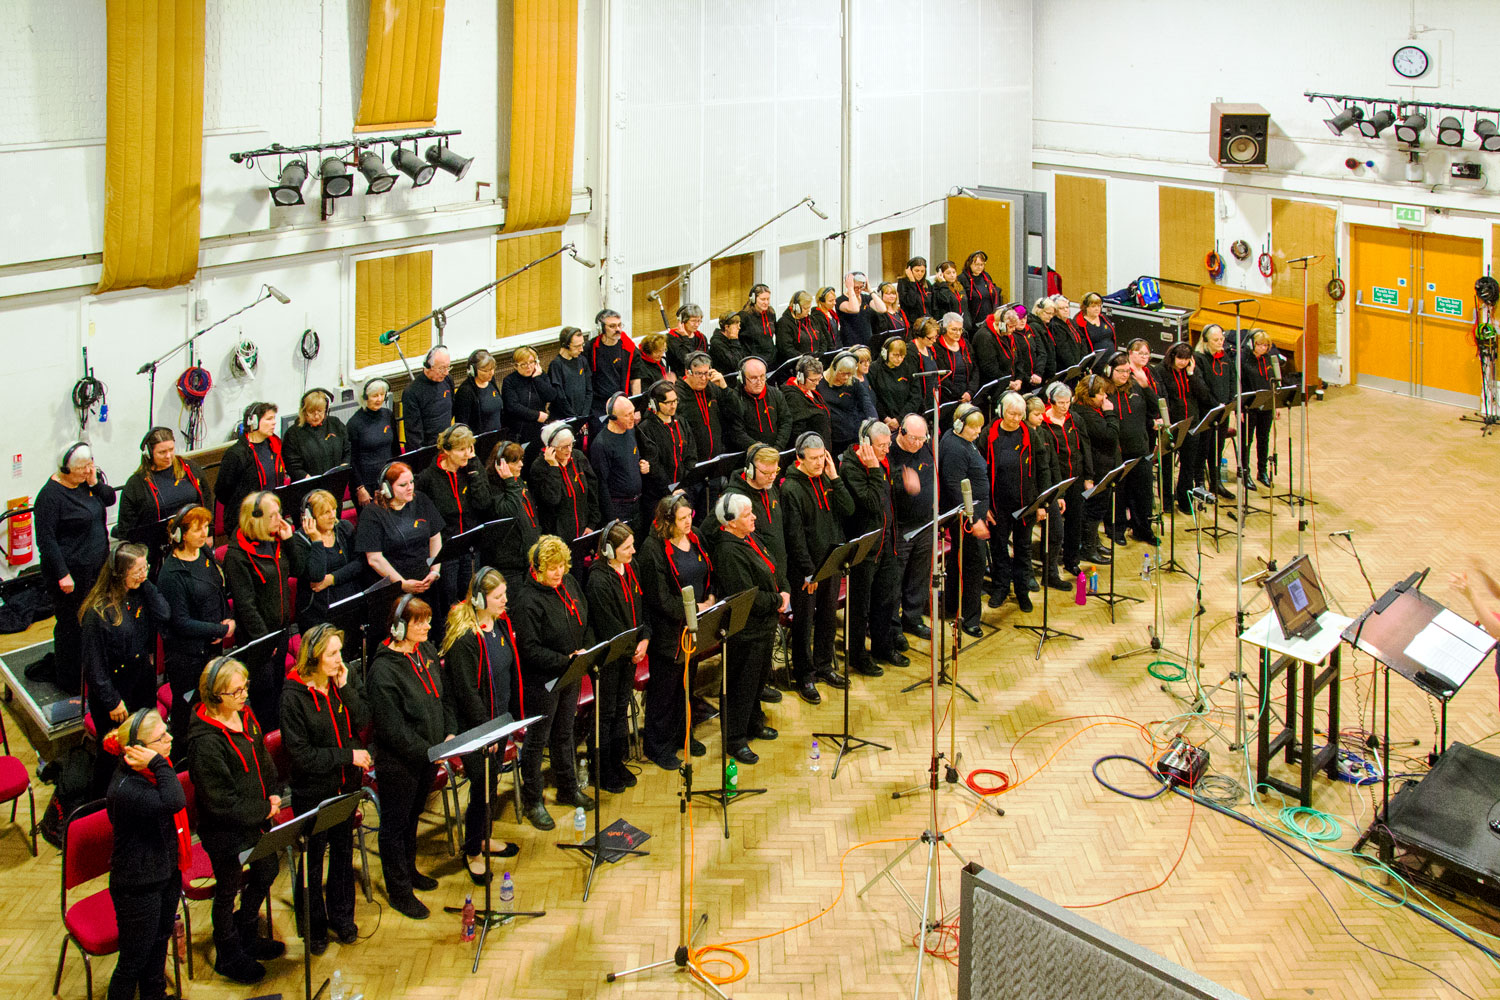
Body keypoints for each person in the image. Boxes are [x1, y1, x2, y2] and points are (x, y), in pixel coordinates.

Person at [185, 656, 284, 983]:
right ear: (215, 696)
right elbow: (219, 802)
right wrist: (262, 810)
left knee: (268, 867)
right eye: (236, 691)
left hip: (257, 818)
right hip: (225, 831)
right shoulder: (205, 742)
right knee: (227, 888)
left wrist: (273, 793)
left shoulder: (243, 714)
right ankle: (227, 951)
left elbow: (262, 759)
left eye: (245, 688)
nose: (244, 696)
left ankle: (246, 930)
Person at [280, 624, 371, 950]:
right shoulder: (292, 698)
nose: (339, 660)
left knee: (344, 856)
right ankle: (313, 927)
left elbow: (362, 719)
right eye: (332, 654)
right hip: (314, 793)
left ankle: (343, 918)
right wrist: (348, 754)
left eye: (339, 652)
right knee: (313, 860)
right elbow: (302, 756)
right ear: (314, 656)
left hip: (345, 786)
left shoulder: (341, 682)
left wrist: (346, 687)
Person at [366, 597, 454, 919]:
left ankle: (410, 871)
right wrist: (430, 753)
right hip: (400, 765)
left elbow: (443, 697)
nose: (429, 626)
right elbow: (392, 730)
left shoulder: (426, 652)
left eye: (428, 620)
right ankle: (399, 892)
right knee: (394, 826)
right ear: (399, 627)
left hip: (429, 757)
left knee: (413, 817)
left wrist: (449, 734)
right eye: (421, 622)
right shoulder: (382, 671)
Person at [440, 569, 523, 882]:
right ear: (478, 600)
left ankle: (484, 838)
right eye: (498, 596)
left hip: (498, 723)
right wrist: (487, 731)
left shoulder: (498, 624)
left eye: (504, 594)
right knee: (481, 790)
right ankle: (473, 850)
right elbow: (466, 693)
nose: (505, 600)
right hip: (477, 728)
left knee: (491, 785)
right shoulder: (465, 640)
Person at [103, 708, 188, 1000]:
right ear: (138, 751)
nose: (170, 739)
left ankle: (155, 995)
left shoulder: (149, 774)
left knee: (160, 941)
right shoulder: (128, 788)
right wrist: (160, 763)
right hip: (138, 886)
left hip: (164, 871)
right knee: (132, 962)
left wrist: (157, 763)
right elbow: (175, 801)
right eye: (160, 738)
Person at [508, 537, 593, 828]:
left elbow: (584, 615)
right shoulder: (526, 600)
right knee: (537, 741)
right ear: (537, 569)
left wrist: (583, 653)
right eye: (552, 568)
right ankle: (533, 801)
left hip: (569, 672)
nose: (559, 573)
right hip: (542, 682)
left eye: (561, 566)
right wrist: (566, 660)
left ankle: (568, 788)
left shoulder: (568, 584)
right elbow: (529, 650)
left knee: (565, 733)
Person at [81, 542, 170, 793]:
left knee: (145, 741)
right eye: (138, 570)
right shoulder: (97, 612)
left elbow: (164, 613)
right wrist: (112, 701)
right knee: (113, 752)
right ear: (119, 574)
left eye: (146, 568)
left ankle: (141, 788)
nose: (144, 574)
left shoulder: (141, 592)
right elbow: (94, 666)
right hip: (115, 693)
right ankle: (104, 799)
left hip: (141, 681)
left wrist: (146, 582)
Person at [711, 493, 789, 765]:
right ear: (730, 522)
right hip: (745, 632)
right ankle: (734, 739)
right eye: (747, 514)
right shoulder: (728, 550)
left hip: (764, 626)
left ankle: (754, 723)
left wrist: (783, 589)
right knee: (741, 686)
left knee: (757, 682)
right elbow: (747, 595)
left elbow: (770, 566)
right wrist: (778, 600)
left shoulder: (747, 537)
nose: (754, 517)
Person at [635, 494, 712, 769]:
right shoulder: (652, 549)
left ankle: (683, 734)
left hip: (694, 627)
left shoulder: (696, 536)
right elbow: (660, 600)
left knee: (687, 686)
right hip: (669, 635)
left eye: (689, 516)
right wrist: (697, 608)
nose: (688, 522)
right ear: (667, 521)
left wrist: (710, 598)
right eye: (682, 519)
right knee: (664, 693)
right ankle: (657, 746)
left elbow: (707, 570)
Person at [36, 441, 116, 694]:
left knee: (95, 621)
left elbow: (109, 499)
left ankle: (93, 668)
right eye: (82, 468)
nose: (87, 470)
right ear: (66, 469)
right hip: (71, 574)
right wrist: (62, 574)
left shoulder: (87, 484)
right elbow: (46, 541)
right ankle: (69, 678)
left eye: (89, 465)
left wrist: (94, 481)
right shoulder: (49, 497)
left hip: (97, 568)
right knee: (71, 624)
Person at [781, 433, 854, 703]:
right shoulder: (790, 488)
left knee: (827, 616)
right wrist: (808, 571)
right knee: (803, 623)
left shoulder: (826, 476)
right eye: (813, 459)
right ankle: (805, 675)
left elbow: (847, 509)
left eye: (822, 457)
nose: (819, 463)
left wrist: (834, 477)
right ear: (799, 459)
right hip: (806, 569)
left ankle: (824, 666)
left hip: (831, 561)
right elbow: (795, 535)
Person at [583, 523, 651, 793]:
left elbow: (641, 608)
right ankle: (601, 767)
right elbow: (609, 627)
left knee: (622, 707)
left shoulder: (631, 568)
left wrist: (645, 639)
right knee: (606, 712)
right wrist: (631, 649)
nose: (633, 551)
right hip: (609, 660)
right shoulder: (598, 580)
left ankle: (616, 760)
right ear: (609, 550)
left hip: (630, 654)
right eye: (627, 547)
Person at [157, 505, 233, 738]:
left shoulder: (205, 553)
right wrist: (220, 629)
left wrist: (224, 621)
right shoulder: (171, 574)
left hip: (212, 646)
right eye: (197, 530)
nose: (204, 534)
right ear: (180, 535)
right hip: (188, 657)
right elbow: (180, 622)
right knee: (190, 711)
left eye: (206, 528)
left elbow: (218, 589)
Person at [224, 492, 296, 729]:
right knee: (264, 693)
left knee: (279, 687)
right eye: (273, 515)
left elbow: (300, 569)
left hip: (282, 629)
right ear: (255, 518)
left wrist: (289, 540)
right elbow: (246, 605)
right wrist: (266, 640)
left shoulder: (275, 540)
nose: (279, 519)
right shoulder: (237, 556)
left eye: (279, 513)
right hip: (260, 638)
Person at [840, 421, 907, 671]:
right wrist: (874, 468)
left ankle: (883, 647)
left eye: (888, 444)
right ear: (866, 444)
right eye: (881, 446)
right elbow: (871, 502)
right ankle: (858, 656)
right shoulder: (851, 467)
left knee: (886, 599)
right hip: (865, 548)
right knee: (860, 606)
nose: (887, 450)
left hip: (886, 541)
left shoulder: (882, 462)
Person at [416, 424, 492, 642]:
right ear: (446, 450)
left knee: (471, 596)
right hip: (447, 549)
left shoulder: (470, 470)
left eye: (470, 448)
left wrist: (475, 469)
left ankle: (472, 640)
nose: (467, 454)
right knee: (449, 600)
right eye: (461, 449)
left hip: (470, 546)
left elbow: (484, 502)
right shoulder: (429, 478)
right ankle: (452, 642)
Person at [356, 461, 444, 599]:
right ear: (387, 488)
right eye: (403, 485)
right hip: (395, 590)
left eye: (411, 482)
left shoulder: (421, 499)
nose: (410, 488)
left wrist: (434, 571)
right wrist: (401, 583)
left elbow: (435, 537)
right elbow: (375, 558)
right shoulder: (371, 514)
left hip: (427, 581)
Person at [982, 394, 1038, 611]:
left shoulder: (1029, 434)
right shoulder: (989, 434)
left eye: (1019, 415)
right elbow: (981, 472)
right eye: (1011, 414)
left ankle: (1022, 592)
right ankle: (1001, 588)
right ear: (1001, 411)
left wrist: (1041, 505)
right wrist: (985, 505)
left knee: (1023, 550)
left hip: (1025, 504)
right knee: (999, 549)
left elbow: (1041, 467)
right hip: (998, 505)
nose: (1016, 419)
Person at [941, 404, 992, 635]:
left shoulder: (962, 441)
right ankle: (970, 618)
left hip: (976, 511)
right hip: (966, 517)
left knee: (959, 563)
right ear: (959, 425)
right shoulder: (954, 448)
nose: (978, 432)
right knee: (974, 565)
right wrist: (974, 519)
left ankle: (952, 604)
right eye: (974, 428)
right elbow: (955, 487)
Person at [115, 426, 212, 541]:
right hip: (157, 545)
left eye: (171, 450)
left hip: (194, 539)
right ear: (149, 454)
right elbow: (126, 528)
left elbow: (206, 499)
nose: (168, 456)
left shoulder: (190, 468)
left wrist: (209, 533)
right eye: (162, 452)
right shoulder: (136, 484)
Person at [1036, 383, 1093, 578]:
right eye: (1060, 403)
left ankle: (1072, 561)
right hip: (1055, 480)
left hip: (1076, 477)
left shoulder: (1075, 419)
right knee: (1053, 527)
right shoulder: (1043, 423)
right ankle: (1049, 565)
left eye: (1067, 402)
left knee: (1075, 520)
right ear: (1051, 402)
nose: (1064, 406)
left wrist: (1089, 476)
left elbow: (1085, 447)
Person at [889, 415, 936, 640]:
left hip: (925, 523)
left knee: (919, 576)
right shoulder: (889, 452)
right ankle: (893, 627)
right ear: (901, 433)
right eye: (914, 439)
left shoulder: (925, 447)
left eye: (922, 438)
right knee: (895, 580)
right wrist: (901, 482)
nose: (919, 443)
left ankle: (913, 619)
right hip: (900, 528)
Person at [1107, 351, 1160, 546]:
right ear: (1109, 371)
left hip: (1140, 448)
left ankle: (1142, 529)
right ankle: (1117, 529)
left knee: (1143, 493)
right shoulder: (1105, 392)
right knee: (1119, 494)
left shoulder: (1137, 387)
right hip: (1118, 452)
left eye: (1127, 371)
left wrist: (1146, 386)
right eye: (1120, 371)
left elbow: (1154, 410)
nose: (1124, 375)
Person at [289, 488, 362, 628]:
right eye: (325, 513)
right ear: (310, 516)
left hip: (349, 602)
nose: (332, 516)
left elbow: (359, 563)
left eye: (333, 509)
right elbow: (316, 575)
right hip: (318, 612)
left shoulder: (344, 528)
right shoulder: (299, 540)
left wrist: (331, 579)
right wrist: (316, 540)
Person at [1158, 342, 1216, 514]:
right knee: (1167, 465)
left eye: (1186, 359)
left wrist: (1191, 375)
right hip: (1172, 424)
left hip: (1192, 422)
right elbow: (1163, 397)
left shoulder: (1192, 371)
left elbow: (1204, 395)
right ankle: (1167, 500)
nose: (1183, 363)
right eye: (1180, 358)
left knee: (1188, 464)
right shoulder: (1161, 371)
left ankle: (1185, 499)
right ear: (1172, 357)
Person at [216, 403, 288, 531]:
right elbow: (222, 492)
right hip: (246, 522)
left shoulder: (274, 446)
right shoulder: (236, 454)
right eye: (269, 419)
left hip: (270, 517)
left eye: (274, 418)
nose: (274, 423)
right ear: (253, 422)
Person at [1071, 374, 1119, 565]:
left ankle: (1094, 542)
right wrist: (1110, 413)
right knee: (1094, 508)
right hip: (1096, 468)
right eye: (1101, 394)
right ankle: (1088, 548)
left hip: (1103, 466)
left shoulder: (1089, 410)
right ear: (1089, 395)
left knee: (1099, 508)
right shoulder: (1087, 414)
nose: (1104, 398)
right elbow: (1110, 436)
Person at [484, 440, 542, 586]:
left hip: (528, 560)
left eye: (521, 460)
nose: (521, 465)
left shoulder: (518, 481)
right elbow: (510, 511)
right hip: (509, 566)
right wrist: (509, 481)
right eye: (515, 462)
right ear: (500, 464)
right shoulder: (493, 488)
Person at [528, 422, 599, 541]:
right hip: (557, 536)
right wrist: (553, 468)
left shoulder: (578, 457)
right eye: (564, 447)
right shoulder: (539, 467)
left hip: (584, 530)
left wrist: (592, 523)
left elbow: (593, 490)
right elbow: (552, 499)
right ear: (550, 447)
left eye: (571, 444)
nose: (569, 450)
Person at [638, 381, 699, 516]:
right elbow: (654, 465)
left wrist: (685, 485)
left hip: (683, 491)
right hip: (659, 496)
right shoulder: (645, 428)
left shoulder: (681, 422)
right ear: (655, 403)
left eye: (675, 401)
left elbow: (691, 455)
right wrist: (671, 489)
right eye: (668, 402)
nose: (673, 406)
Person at [1024, 397, 1066, 591]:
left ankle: (1051, 573)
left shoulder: (1044, 433)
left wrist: (1059, 494)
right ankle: (1027, 576)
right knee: (1023, 541)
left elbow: (1053, 465)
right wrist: (1038, 504)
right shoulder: (1022, 435)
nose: (1041, 418)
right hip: (1030, 496)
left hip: (1049, 493)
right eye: (1036, 414)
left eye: (1042, 414)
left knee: (1056, 533)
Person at [591, 394, 648, 528]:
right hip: (618, 510)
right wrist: (612, 518)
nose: (633, 418)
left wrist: (642, 463)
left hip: (637, 505)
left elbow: (632, 457)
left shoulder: (630, 432)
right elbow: (601, 485)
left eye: (633, 412)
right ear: (613, 418)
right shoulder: (601, 444)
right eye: (628, 415)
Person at [1194, 324, 1237, 500]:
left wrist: (1230, 402)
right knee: (1203, 449)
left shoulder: (1225, 356)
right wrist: (1215, 404)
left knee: (1217, 448)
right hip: (1207, 411)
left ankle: (1216, 482)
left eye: (1222, 339)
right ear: (1206, 341)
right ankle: (1200, 484)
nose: (1221, 342)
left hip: (1223, 411)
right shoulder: (1199, 358)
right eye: (1216, 340)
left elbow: (1232, 378)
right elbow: (1201, 387)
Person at [501, 346, 560, 457]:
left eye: (532, 362)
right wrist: (536, 415)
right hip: (519, 432)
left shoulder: (540, 375)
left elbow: (551, 396)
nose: (528, 367)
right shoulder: (509, 381)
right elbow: (512, 406)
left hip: (538, 431)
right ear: (515, 365)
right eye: (523, 364)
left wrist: (537, 379)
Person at [347, 378, 398, 505]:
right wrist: (360, 488)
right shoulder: (354, 423)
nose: (379, 399)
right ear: (364, 397)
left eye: (382, 395)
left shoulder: (388, 415)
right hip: (366, 485)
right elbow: (351, 460)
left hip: (388, 479)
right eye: (375, 396)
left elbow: (395, 448)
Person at [283, 389, 351, 481]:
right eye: (311, 412)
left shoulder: (335, 424)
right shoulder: (293, 434)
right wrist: (310, 480)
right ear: (303, 411)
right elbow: (292, 466)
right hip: (309, 486)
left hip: (336, 481)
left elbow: (348, 449)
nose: (316, 416)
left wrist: (343, 468)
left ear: (326, 409)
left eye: (320, 411)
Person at [1240, 330, 1278, 489]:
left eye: (1266, 345)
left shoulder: (1268, 359)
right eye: (1260, 344)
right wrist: (1239, 409)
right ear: (1251, 344)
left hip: (1266, 405)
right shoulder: (1243, 359)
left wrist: (1275, 404)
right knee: (1246, 441)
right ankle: (1244, 472)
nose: (1263, 348)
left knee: (1264, 438)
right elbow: (1239, 384)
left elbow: (1273, 382)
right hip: (1249, 406)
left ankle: (1262, 471)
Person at [727, 355, 787, 453]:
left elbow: (785, 421)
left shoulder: (776, 394)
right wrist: (759, 450)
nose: (759, 382)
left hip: (776, 452)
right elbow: (737, 431)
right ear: (742, 378)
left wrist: (777, 448)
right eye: (754, 378)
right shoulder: (735, 399)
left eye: (762, 377)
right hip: (749, 455)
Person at [820, 352, 875, 456]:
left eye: (850, 374)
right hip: (833, 439)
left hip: (853, 434)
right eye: (843, 373)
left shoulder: (853, 381)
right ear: (834, 369)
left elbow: (866, 402)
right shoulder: (820, 383)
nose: (846, 377)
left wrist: (873, 422)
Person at [677, 351, 729, 461]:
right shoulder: (676, 394)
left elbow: (736, 411)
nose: (704, 378)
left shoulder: (713, 387)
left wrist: (725, 388)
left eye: (706, 373)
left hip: (716, 457)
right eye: (698, 374)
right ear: (688, 372)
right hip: (693, 461)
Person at [402, 346, 455, 449]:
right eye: (441, 368)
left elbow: (451, 408)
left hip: (446, 444)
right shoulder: (412, 392)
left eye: (448, 367)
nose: (446, 372)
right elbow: (413, 433)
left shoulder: (447, 379)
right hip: (427, 448)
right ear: (428, 366)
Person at [588, 309, 637, 414]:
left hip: (622, 402)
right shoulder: (590, 348)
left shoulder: (628, 348)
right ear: (601, 328)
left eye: (619, 325)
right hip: (598, 406)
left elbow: (636, 378)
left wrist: (635, 408)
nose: (618, 329)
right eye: (612, 326)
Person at [782, 355, 832, 445]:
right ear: (800, 377)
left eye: (819, 379)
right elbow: (797, 429)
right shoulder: (792, 396)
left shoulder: (811, 390)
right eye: (813, 380)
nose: (817, 383)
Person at [454, 349, 505, 434]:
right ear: (473, 370)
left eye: (492, 369)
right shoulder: (466, 391)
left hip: (497, 437)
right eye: (486, 371)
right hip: (478, 441)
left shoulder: (491, 381)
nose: (491, 373)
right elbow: (462, 424)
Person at [548, 327, 593, 419]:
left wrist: (583, 416)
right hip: (565, 417)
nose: (581, 350)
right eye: (577, 346)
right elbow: (560, 397)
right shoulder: (556, 365)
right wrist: (574, 418)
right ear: (565, 345)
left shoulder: (582, 360)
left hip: (582, 415)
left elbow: (589, 390)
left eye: (582, 345)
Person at [933, 312, 977, 404]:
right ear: (944, 329)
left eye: (960, 330)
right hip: (948, 397)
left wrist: (970, 392)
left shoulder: (965, 344)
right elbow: (942, 378)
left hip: (968, 395)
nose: (958, 333)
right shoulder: (937, 347)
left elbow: (975, 369)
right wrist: (960, 394)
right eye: (954, 329)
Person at [870, 338, 918, 422]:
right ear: (885, 353)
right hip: (881, 420)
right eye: (895, 355)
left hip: (905, 419)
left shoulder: (909, 367)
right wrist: (885, 418)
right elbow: (873, 398)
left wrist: (899, 419)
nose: (899, 359)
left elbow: (916, 397)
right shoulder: (874, 369)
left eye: (902, 356)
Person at [959, 251, 1002, 334]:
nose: (979, 267)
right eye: (976, 264)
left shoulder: (986, 276)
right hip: (972, 320)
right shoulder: (963, 278)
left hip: (987, 317)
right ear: (969, 264)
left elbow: (993, 294)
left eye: (981, 265)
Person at [737, 284, 777, 362]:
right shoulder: (744, 316)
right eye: (763, 299)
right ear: (753, 299)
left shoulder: (771, 313)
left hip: (770, 358)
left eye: (768, 299)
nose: (766, 302)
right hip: (754, 360)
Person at [666, 304, 710, 376]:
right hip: (681, 377)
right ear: (682, 321)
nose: (696, 324)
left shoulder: (701, 337)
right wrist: (685, 338)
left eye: (699, 321)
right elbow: (687, 360)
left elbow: (704, 360)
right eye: (693, 321)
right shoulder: (672, 338)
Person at [775, 290, 818, 364]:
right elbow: (786, 349)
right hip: (797, 364)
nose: (808, 311)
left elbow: (822, 339)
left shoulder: (811, 319)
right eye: (805, 308)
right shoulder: (784, 323)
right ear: (796, 307)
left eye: (809, 307)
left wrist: (819, 355)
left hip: (813, 362)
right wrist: (805, 359)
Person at [835, 271, 876, 347]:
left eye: (861, 287)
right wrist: (850, 289)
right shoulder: (840, 300)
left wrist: (870, 290)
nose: (859, 290)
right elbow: (855, 309)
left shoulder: (865, 298)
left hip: (867, 342)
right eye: (856, 287)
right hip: (850, 343)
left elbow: (882, 308)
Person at [1074, 292, 1116, 363]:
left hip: (1111, 360)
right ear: (1085, 307)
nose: (1097, 309)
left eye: (1099, 306)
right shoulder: (1080, 324)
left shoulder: (1103, 318)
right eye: (1093, 306)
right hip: (1095, 363)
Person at [1026, 298, 1058, 383]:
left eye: (1052, 314)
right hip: (1041, 374)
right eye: (1048, 313)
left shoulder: (1045, 325)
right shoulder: (1034, 326)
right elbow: (1042, 351)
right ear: (1039, 310)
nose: (1050, 316)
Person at [1050, 296, 1083, 376]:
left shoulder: (1072, 322)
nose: (1065, 310)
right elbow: (1063, 350)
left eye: (1067, 307)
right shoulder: (1056, 325)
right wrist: (1075, 368)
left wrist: (1083, 363)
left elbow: (1082, 340)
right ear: (1056, 311)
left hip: (1079, 363)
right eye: (1061, 308)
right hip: (1066, 368)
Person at [870, 282, 907, 352]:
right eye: (888, 294)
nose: (892, 296)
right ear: (881, 295)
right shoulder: (878, 313)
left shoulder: (899, 312)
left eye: (893, 294)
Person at [897, 256, 932, 326]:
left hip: (927, 321)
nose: (920, 274)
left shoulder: (926, 283)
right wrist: (912, 282)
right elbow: (910, 302)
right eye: (917, 271)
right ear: (909, 270)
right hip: (912, 323)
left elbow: (931, 304)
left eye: (922, 271)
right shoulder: (903, 283)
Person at [810, 286, 843, 353]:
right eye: (831, 301)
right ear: (822, 301)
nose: (834, 303)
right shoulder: (818, 317)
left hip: (837, 349)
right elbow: (825, 339)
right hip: (829, 351)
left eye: (834, 300)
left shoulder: (831, 313)